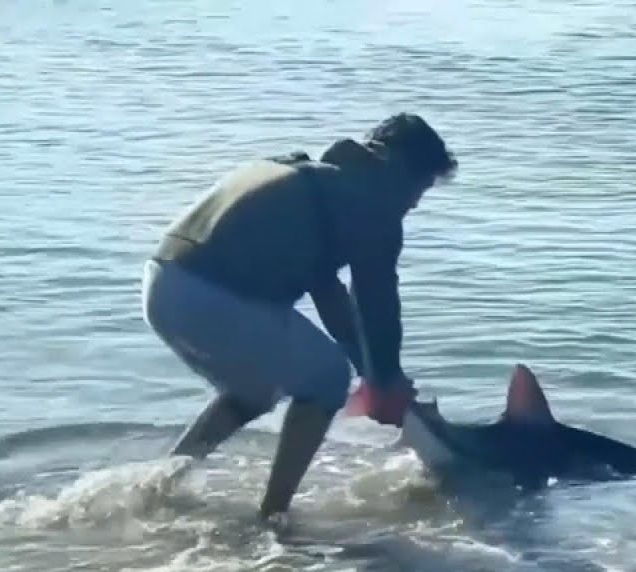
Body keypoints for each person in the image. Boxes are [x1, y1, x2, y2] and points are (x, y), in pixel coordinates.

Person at [140, 113, 457, 520]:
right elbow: (377, 304)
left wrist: (375, 375)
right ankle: (274, 517)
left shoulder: (313, 178)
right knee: (327, 380)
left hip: (162, 283)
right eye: (420, 187)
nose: (414, 203)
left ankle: (161, 485)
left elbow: (329, 294)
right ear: (398, 169)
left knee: (254, 393)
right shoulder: (374, 205)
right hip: (212, 294)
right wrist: (386, 381)